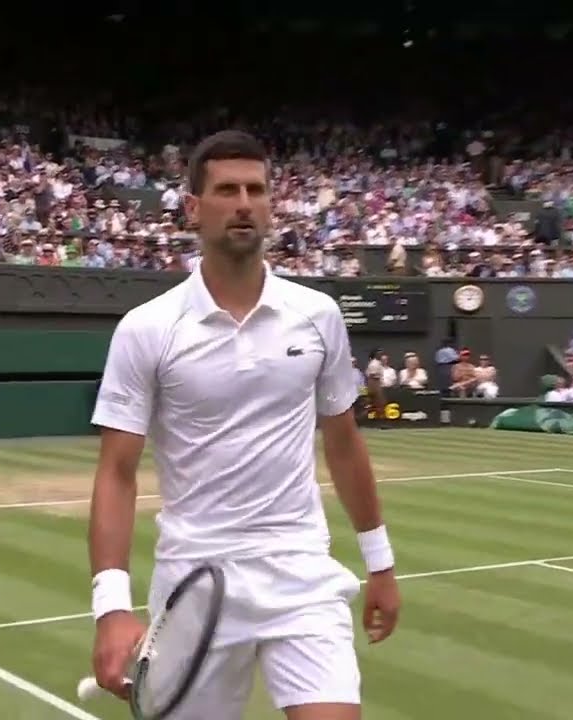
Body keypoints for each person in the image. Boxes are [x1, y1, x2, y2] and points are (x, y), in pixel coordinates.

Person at [88, 130, 401, 720]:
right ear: (192, 209)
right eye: (227, 189)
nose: (243, 203)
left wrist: (380, 563)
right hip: (195, 584)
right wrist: (111, 607)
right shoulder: (146, 328)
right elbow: (117, 472)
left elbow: (343, 444)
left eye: (256, 190)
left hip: (301, 573)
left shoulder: (319, 316)